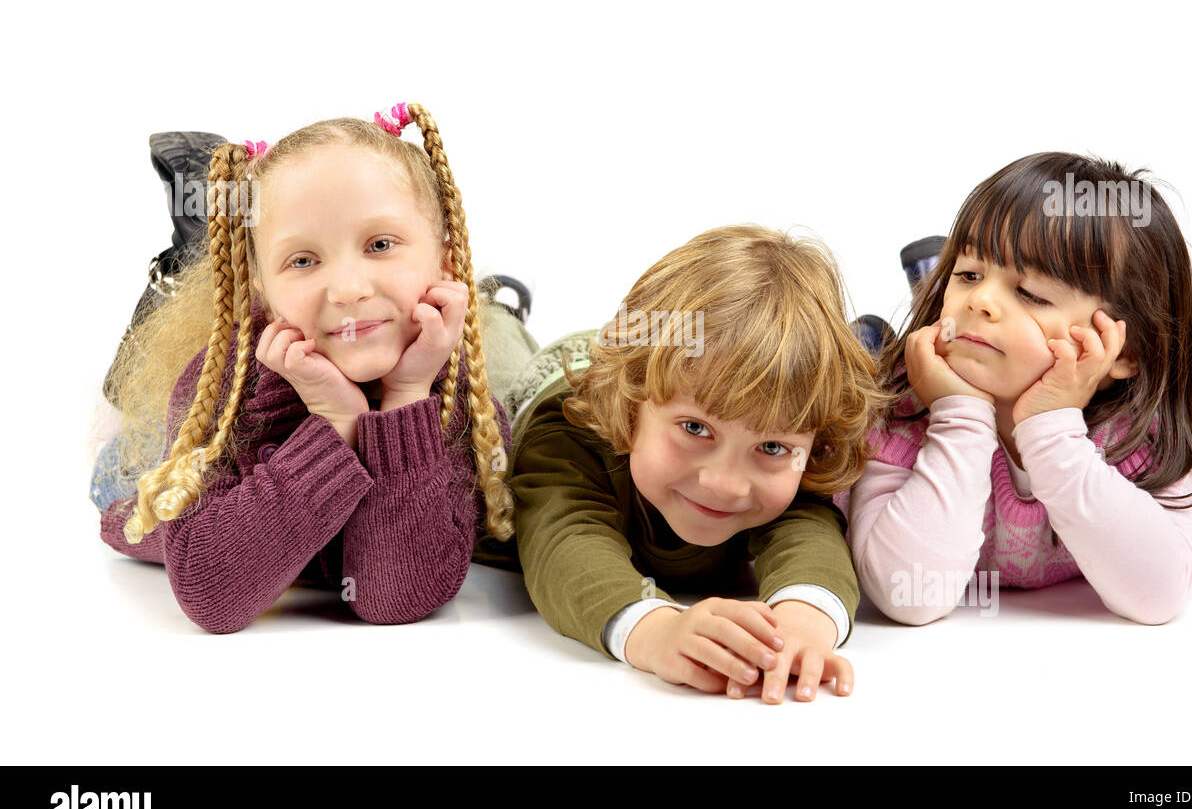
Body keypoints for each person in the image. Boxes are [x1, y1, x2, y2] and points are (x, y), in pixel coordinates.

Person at [99, 103, 513, 633]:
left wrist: (407, 393)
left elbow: (396, 598)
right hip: (150, 449)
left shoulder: (464, 405)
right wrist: (331, 424)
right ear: (262, 293)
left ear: (447, 263)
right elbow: (212, 597)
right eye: (303, 260)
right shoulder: (225, 391)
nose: (346, 289)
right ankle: (189, 245)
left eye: (380, 245)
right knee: (113, 472)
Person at [504, 226, 888, 702]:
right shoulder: (566, 437)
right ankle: (501, 309)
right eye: (695, 429)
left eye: (770, 448)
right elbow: (566, 542)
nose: (724, 484)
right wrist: (656, 631)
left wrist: (799, 625)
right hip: (545, 381)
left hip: (664, 360)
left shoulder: (795, 453)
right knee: (494, 358)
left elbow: (809, 534)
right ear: (630, 408)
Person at [848, 152, 1192, 625]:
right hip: (898, 381)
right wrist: (959, 415)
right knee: (856, 370)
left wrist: (1052, 429)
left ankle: (931, 271)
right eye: (967, 274)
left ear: (1123, 351)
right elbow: (907, 596)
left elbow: (1159, 595)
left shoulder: (1134, 434)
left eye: (1031, 294)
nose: (980, 300)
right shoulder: (901, 410)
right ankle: (888, 325)